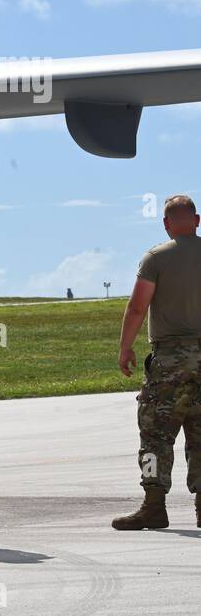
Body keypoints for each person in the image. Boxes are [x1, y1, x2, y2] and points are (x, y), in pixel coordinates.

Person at [112, 194, 201, 531]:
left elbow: (137, 307)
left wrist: (125, 348)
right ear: (197, 220)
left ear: (166, 224)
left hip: (170, 360)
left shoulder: (156, 258)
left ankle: (154, 505)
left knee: (155, 435)